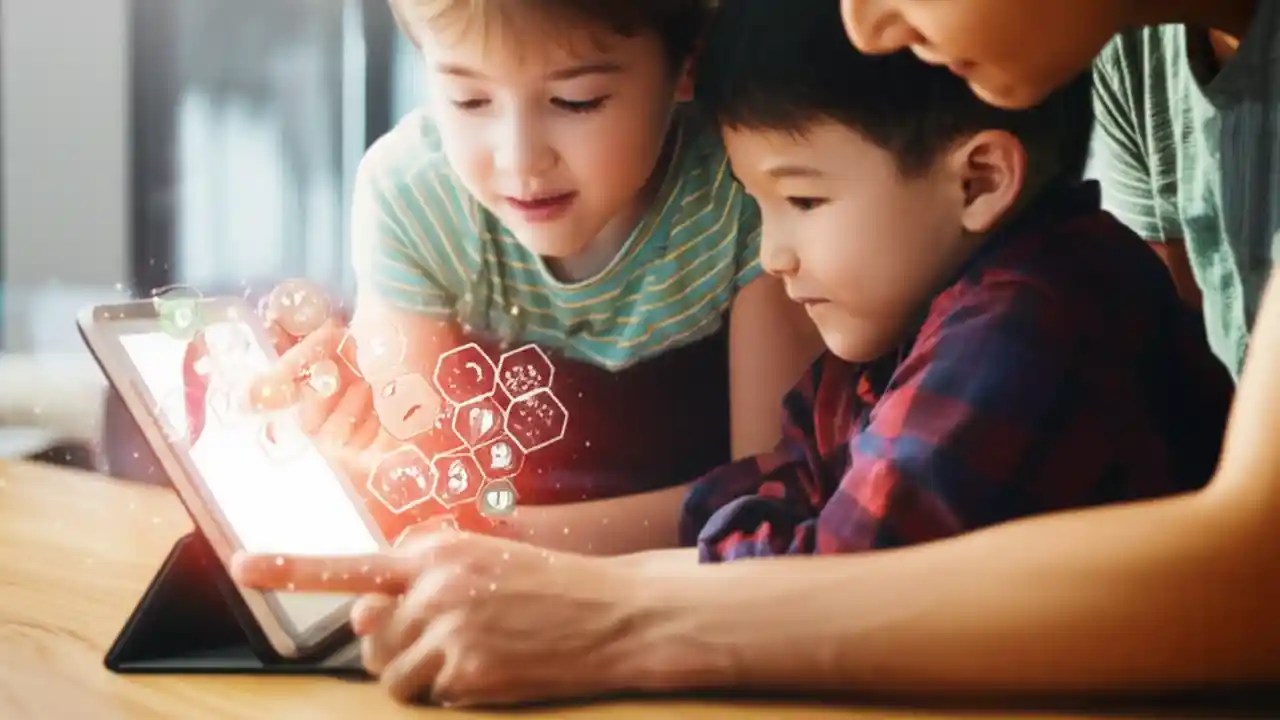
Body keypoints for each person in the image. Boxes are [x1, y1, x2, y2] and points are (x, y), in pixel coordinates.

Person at [235, 0, 1280, 707]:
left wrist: (605, 614)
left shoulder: (1028, 315)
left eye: (800, 204)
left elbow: (1246, 573)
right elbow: (778, 485)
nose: (863, 18)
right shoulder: (1118, 61)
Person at [252, 0, 820, 549]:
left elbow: (769, 493)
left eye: (576, 101)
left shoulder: (741, 190)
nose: (519, 158)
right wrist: (352, 440)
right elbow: (420, 475)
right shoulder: (414, 198)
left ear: (687, 64)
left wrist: (507, 544)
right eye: (469, 99)